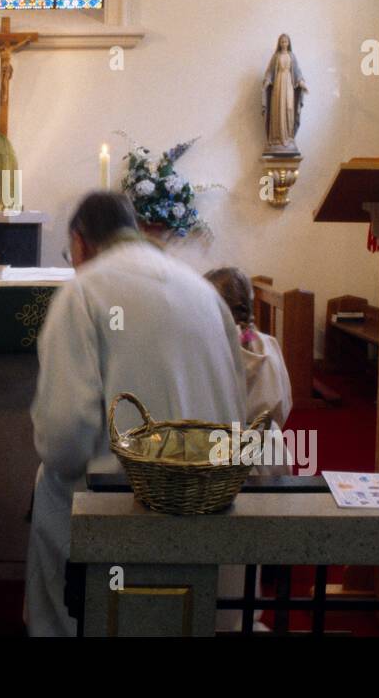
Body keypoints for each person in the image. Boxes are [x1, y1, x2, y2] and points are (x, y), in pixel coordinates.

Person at [26, 192, 249, 636]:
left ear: (81, 242)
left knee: (49, 487)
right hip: (205, 503)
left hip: (118, 506)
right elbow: (238, 410)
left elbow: (65, 437)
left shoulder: (84, 292)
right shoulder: (205, 293)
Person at [204, 267, 293, 434]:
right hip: (270, 448)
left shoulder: (213, 349)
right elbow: (286, 404)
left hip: (221, 449)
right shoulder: (270, 343)